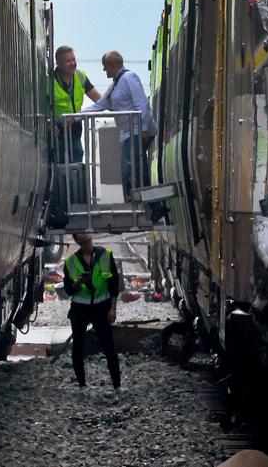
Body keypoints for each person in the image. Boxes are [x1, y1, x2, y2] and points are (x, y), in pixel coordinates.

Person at [86, 51, 156, 201]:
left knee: (128, 167)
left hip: (137, 131)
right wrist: (77, 116)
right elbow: (101, 104)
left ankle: (139, 201)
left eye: (105, 66)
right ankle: (144, 202)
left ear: (113, 65)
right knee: (134, 167)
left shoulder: (130, 78)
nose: (104, 70)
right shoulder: (116, 83)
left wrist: (144, 128)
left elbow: (142, 104)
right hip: (129, 133)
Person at [62, 232, 122, 391]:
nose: (85, 234)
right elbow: (68, 290)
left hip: (101, 307)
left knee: (109, 346)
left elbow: (114, 284)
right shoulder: (71, 262)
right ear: (77, 240)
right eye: (81, 233)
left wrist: (113, 308)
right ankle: (82, 385)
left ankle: (117, 385)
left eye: (86, 231)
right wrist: (79, 282)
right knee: (78, 347)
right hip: (80, 309)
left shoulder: (105, 255)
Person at [51, 45, 101, 162]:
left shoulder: (80, 76)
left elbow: (98, 99)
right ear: (59, 64)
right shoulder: (49, 80)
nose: (73, 63)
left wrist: (115, 104)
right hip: (56, 134)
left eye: (73, 60)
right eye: (68, 61)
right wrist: (49, 124)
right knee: (59, 164)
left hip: (75, 131)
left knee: (77, 162)